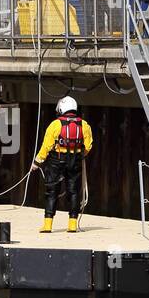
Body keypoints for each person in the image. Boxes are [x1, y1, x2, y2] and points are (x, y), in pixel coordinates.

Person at [30, 95, 93, 233]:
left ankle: (48, 225)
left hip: (56, 160)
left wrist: (37, 162)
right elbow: (88, 146)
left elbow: (46, 146)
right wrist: (80, 156)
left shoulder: (55, 124)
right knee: (74, 192)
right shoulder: (84, 125)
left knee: (52, 191)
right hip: (75, 160)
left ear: (61, 108)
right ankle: (72, 225)